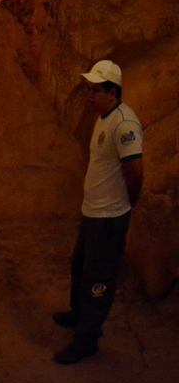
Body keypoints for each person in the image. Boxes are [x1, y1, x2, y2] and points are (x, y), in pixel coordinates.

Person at [52, 60, 144, 365]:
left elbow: (135, 172)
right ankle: (79, 316)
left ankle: (87, 339)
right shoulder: (103, 117)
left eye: (96, 90)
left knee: (97, 279)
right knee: (80, 267)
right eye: (90, 89)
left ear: (112, 92)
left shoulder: (124, 125)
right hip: (93, 212)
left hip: (109, 217)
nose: (90, 95)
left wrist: (128, 202)